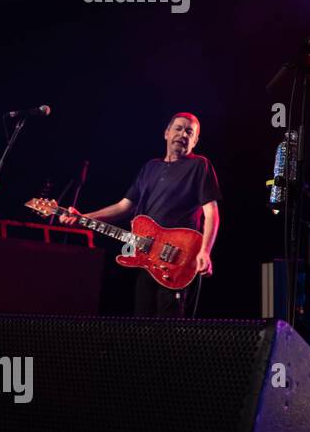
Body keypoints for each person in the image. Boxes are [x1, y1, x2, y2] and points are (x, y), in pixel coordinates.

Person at [61, 112, 220, 316]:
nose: (183, 134)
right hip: (147, 257)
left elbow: (212, 212)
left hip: (179, 259)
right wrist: (83, 218)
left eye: (189, 132)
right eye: (178, 128)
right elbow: (123, 207)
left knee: (170, 327)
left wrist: (205, 251)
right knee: (142, 324)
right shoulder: (150, 168)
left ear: (195, 140)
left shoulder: (199, 165)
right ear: (166, 133)